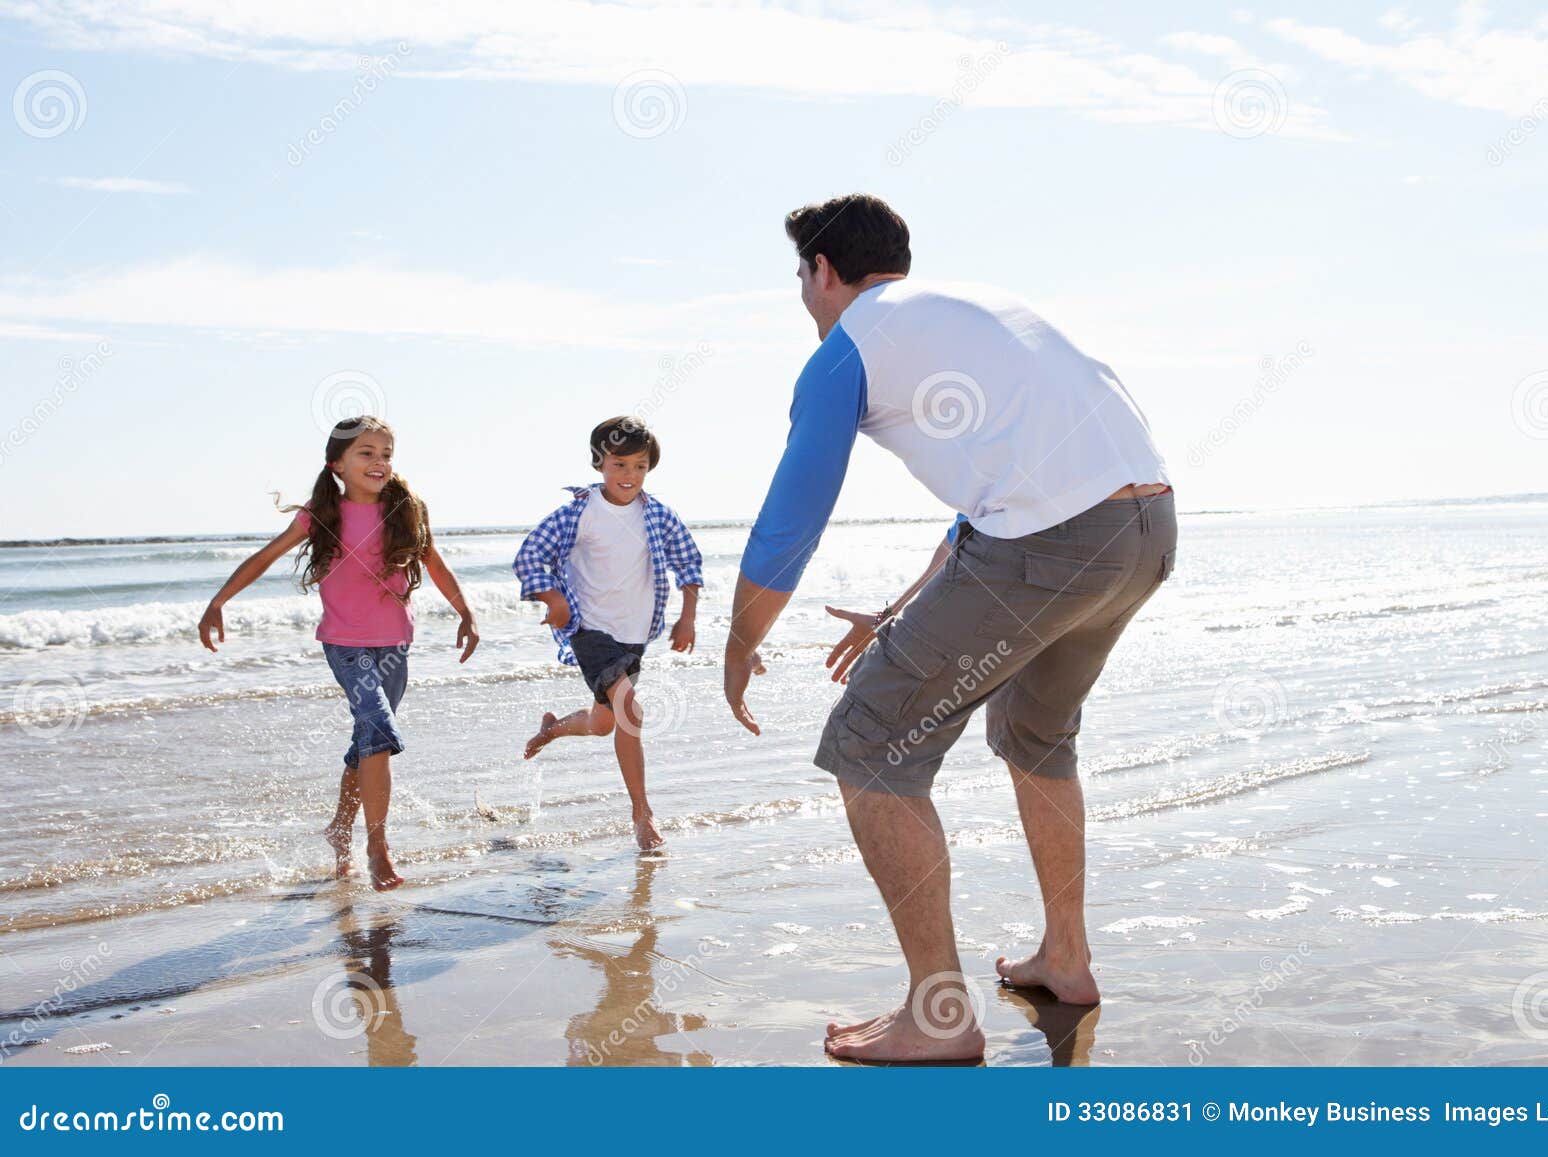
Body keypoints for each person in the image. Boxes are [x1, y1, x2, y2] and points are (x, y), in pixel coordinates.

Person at [723, 194, 1177, 1062]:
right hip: (1147, 528)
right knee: (1036, 732)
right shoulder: (975, 309)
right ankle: (1066, 957)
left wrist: (740, 645)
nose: (806, 299)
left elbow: (794, 515)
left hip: (1058, 540)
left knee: (871, 741)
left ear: (823, 271)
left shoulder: (847, 346)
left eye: (801, 277)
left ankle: (938, 1018)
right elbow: (1006, 492)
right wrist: (902, 609)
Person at [198, 415, 480, 891]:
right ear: (337, 464)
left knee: (366, 746)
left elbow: (435, 564)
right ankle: (378, 846)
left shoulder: (406, 508)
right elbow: (266, 556)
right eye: (366, 453)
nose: (379, 462)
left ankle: (338, 829)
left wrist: (466, 612)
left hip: (395, 647)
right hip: (345, 646)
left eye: (386, 453)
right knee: (379, 730)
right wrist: (218, 601)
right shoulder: (320, 515)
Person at [515, 416, 703, 852]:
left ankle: (552, 729)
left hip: (635, 635)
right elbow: (529, 557)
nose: (629, 475)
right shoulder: (578, 514)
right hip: (590, 630)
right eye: (620, 464)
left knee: (604, 724)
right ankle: (643, 815)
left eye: (639, 466)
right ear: (600, 462)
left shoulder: (657, 514)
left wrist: (688, 615)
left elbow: (689, 563)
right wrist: (553, 599)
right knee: (630, 710)